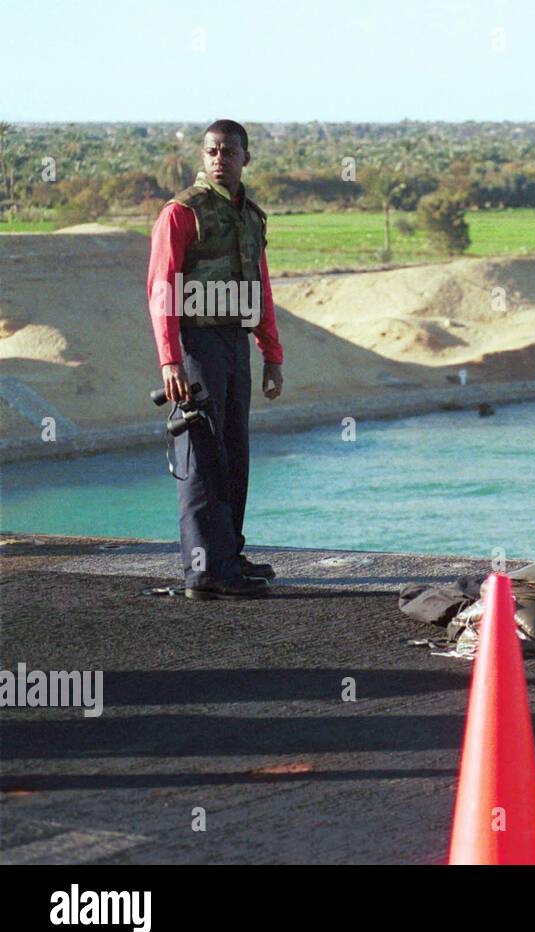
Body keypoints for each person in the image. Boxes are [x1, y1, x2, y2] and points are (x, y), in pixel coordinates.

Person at [146, 119, 284, 599]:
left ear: (246, 158)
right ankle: (205, 573)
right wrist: (170, 362)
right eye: (211, 151)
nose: (219, 159)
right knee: (201, 455)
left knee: (233, 454)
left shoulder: (251, 216)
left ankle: (228, 556)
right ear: (202, 157)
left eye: (228, 151)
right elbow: (162, 290)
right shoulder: (182, 213)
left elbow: (261, 288)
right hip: (195, 346)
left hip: (233, 343)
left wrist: (271, 353)